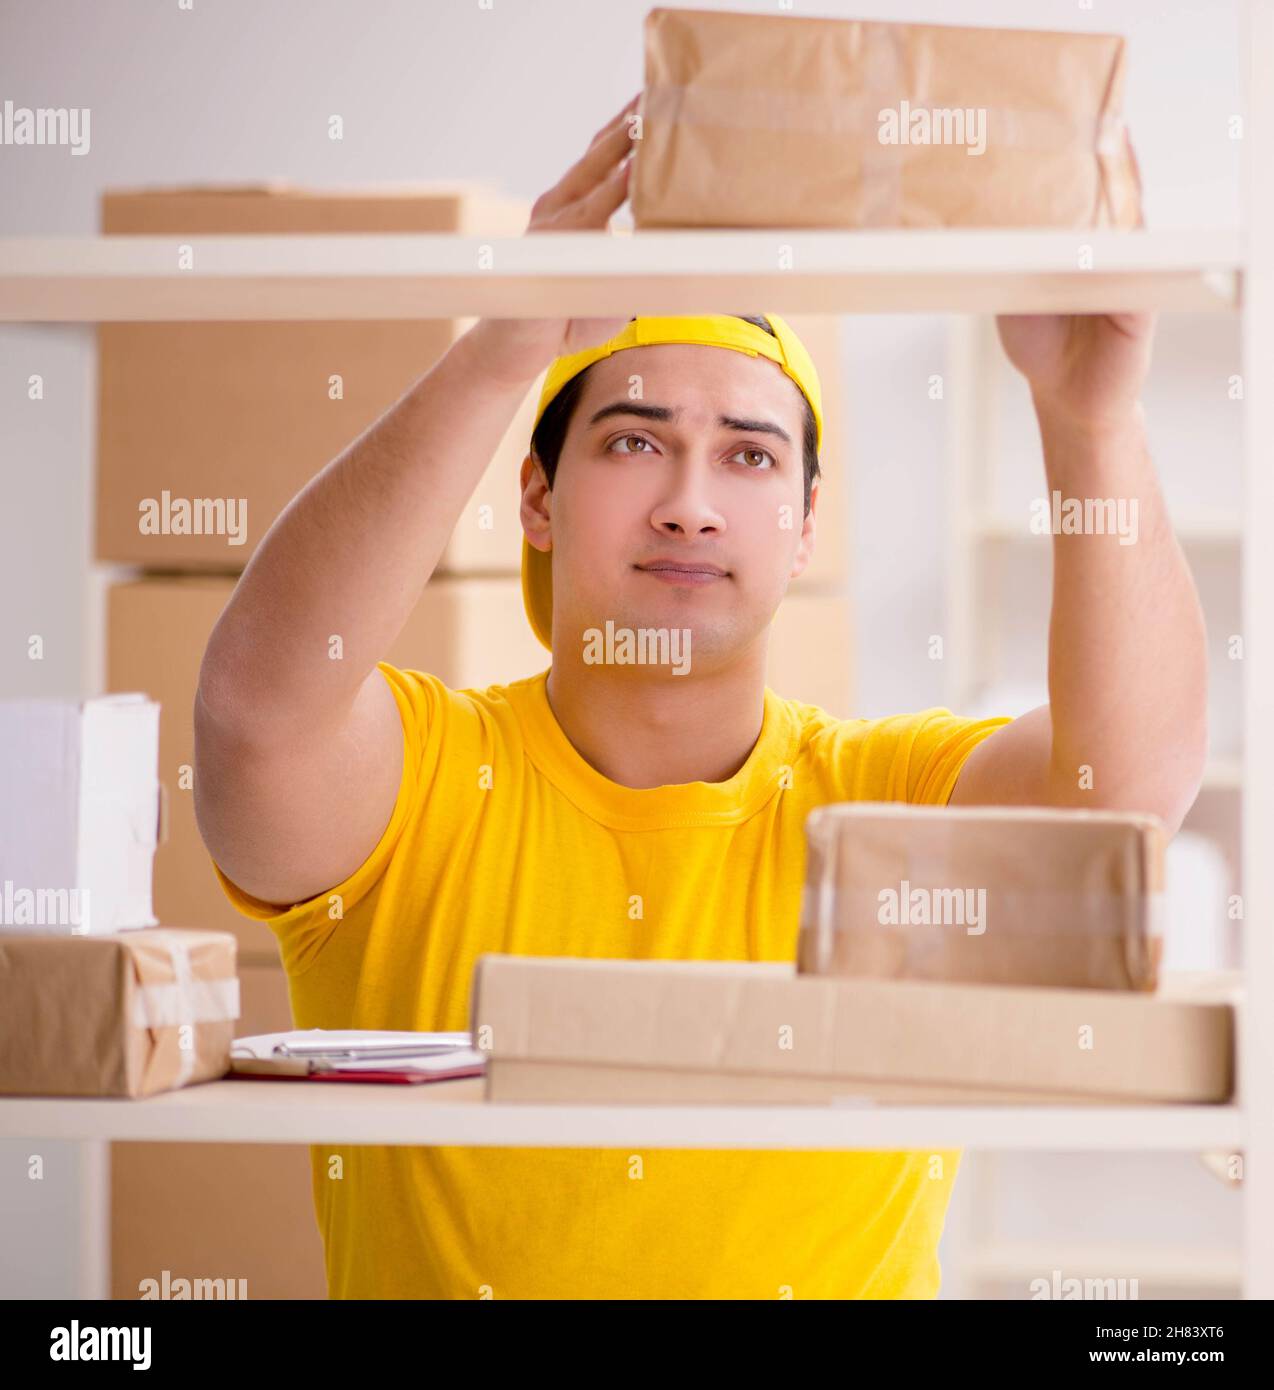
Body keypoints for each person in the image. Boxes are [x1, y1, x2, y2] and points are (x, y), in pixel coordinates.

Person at [193, 93, 1209, 1299]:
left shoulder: (886, 806)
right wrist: (504, 346)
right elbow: (256, 723)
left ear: (802, 525)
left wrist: (1086, 416)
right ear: (534, 497)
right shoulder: (418, 786)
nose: (689, 501)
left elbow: (1125, 798)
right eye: (631, 442)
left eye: (749, 454)